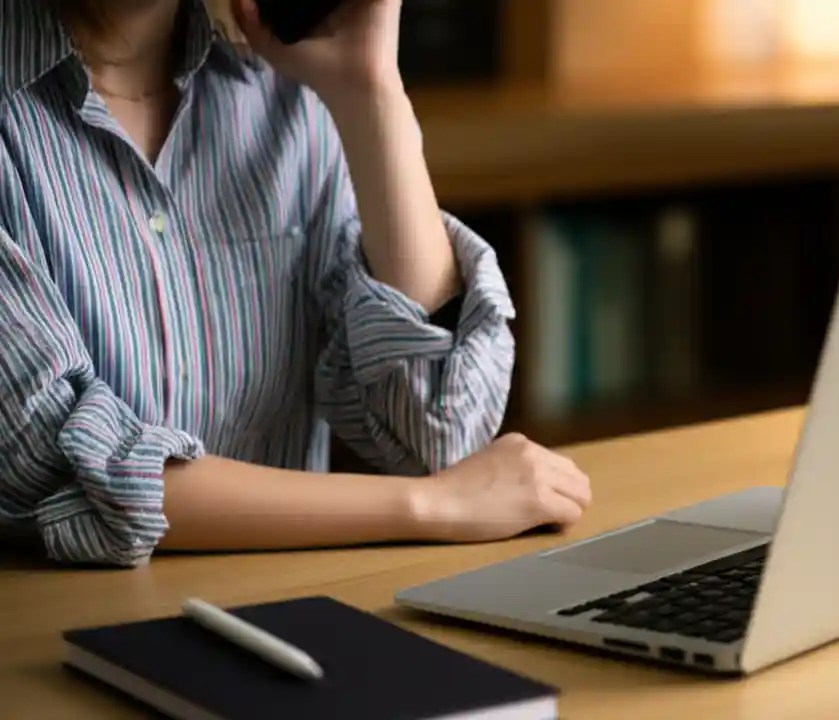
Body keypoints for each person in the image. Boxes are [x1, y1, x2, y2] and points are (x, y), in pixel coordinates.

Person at [0, 0, 591, 567]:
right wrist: (431, 505)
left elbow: (437, 433)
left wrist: (371, 90)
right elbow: (57, 463)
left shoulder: (286, 104)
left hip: (291, 612)